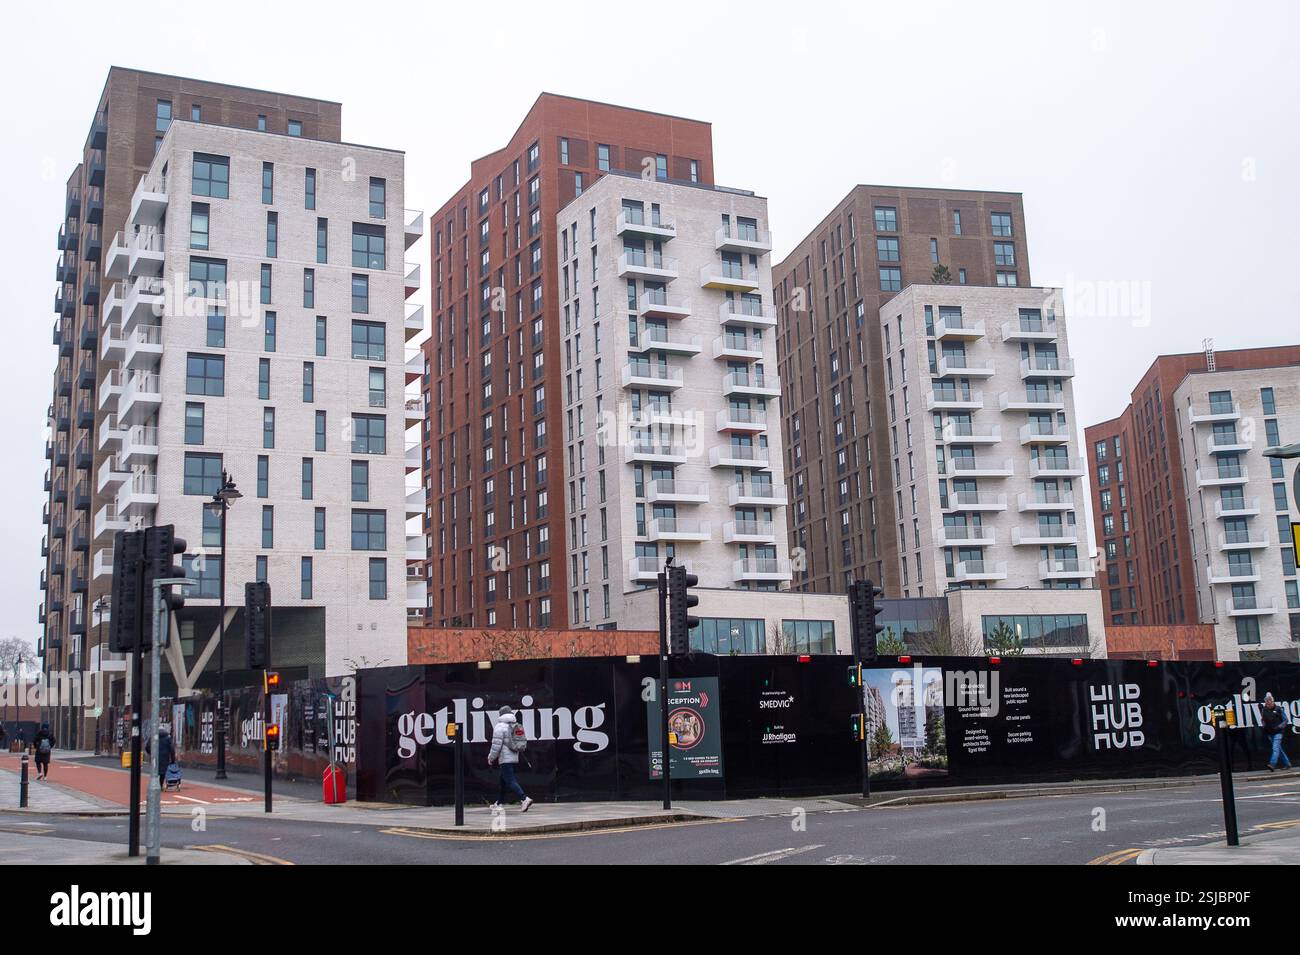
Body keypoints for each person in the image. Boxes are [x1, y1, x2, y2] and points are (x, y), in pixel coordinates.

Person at [487, 705, 533, 812]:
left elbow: (496, 745)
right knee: (503, 781)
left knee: (510, 780)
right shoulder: (513, 724)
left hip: (504, 758)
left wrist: (491, 757)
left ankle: (524, 798)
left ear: (501, 714)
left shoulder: (500, 726)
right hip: (513, 756)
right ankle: (498, 803)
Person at [1262, 693, 1292, 771]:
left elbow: (1285, 720)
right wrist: (1264, 726)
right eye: (1267, 701)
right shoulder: (1264, 710)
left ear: (1272, 701)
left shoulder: (1279, 709)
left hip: (1278, 732)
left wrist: (1279, 727)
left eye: (1270, 701)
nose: (1268, 703)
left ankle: (1272, 764)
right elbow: (1263, 720)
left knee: (1275, 748)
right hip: (1269, 732)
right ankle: (1287, 763)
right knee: (1278, 749)